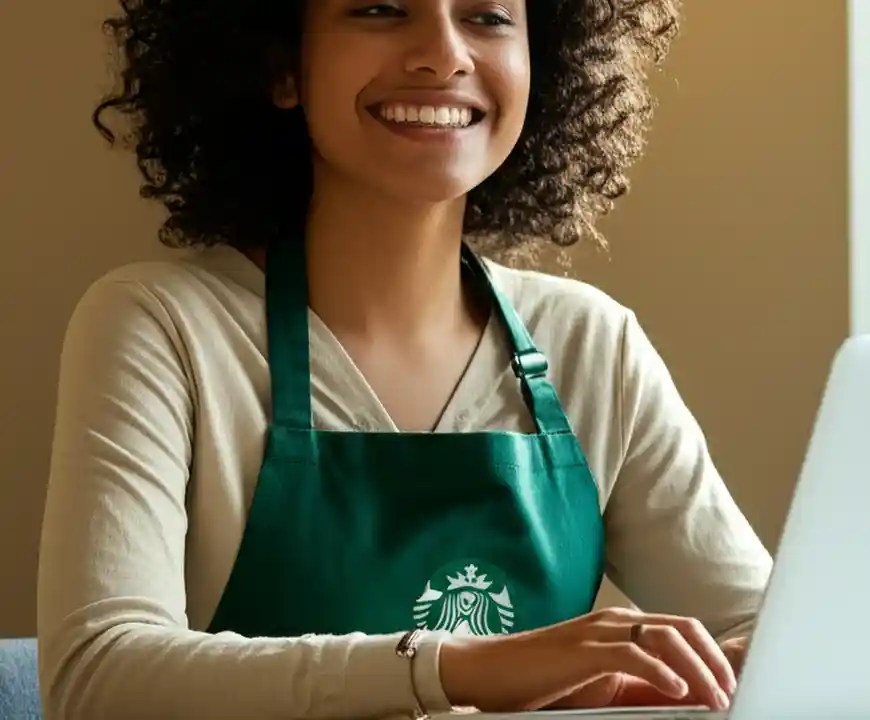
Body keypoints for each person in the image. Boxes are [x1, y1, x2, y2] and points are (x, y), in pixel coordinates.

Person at [35, 0, 773, 718]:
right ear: (282, 65)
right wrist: (466, 670)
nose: (444, 53)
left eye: (487, 17)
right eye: (381, 9)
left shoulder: (592, 344)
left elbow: (774, 634)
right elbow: (99, 676)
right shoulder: (163, 326)